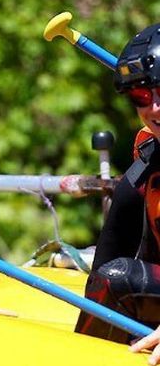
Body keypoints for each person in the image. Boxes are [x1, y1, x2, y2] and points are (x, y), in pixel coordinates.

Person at [71, 23, 160, 363]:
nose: (153, 108)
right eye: (141, 96)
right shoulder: (149, 161)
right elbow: (107, 262)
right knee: (114, 276)